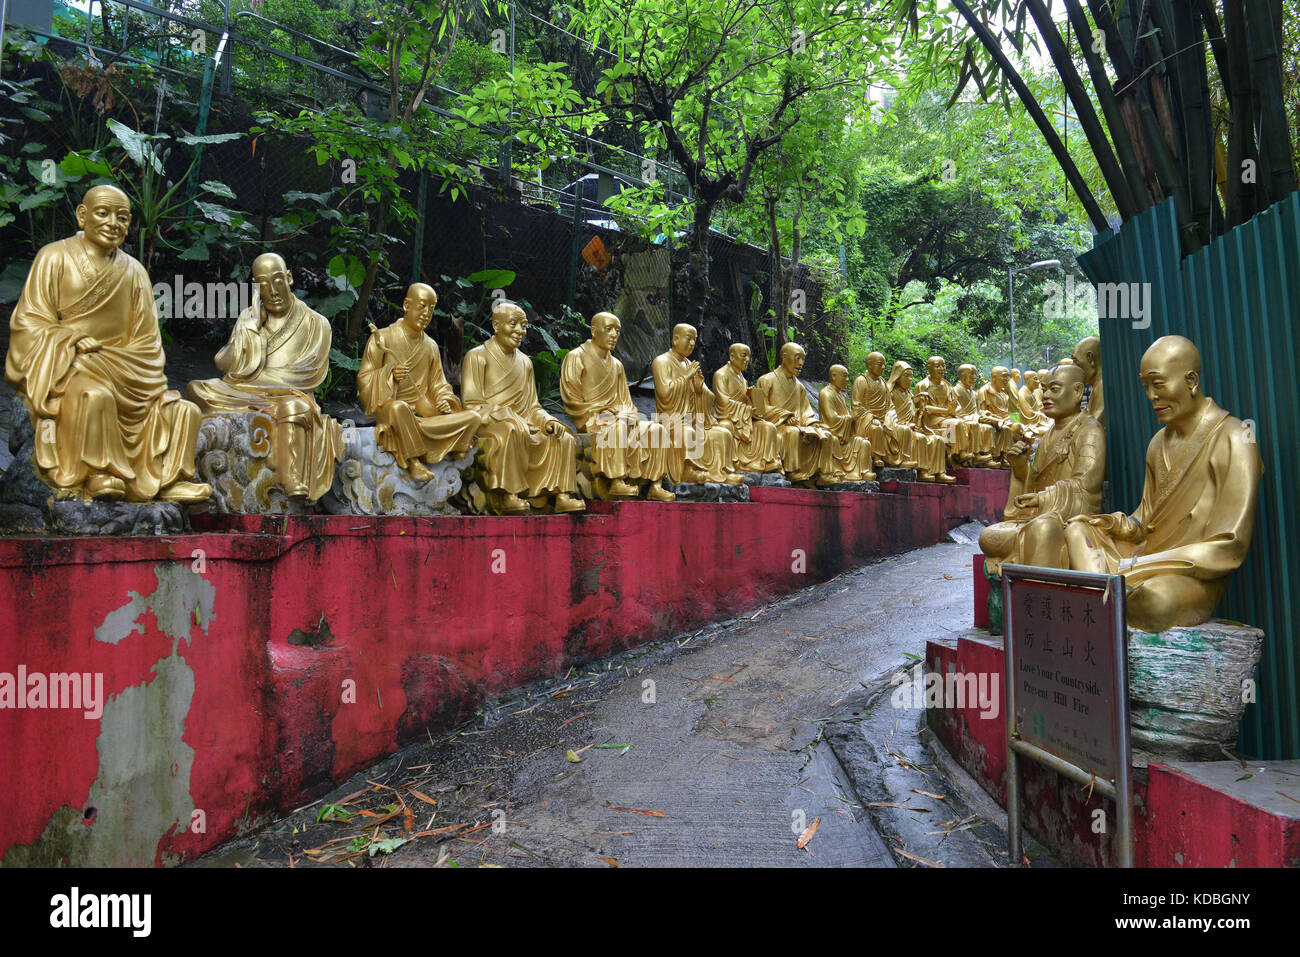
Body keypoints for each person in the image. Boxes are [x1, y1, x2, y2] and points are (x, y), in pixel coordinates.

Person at [7, 184, 209, 502]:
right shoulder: (54, 257)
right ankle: (98, 473)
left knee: (186, 411)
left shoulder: (134, 272)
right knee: (94, 395)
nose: (113, 223)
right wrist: (68, 340)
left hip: (127, 371)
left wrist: (117, 361)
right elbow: (28, 323)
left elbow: (149, 344)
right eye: (103, 213)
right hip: (73, 365)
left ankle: (169, 479)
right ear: (82, 215)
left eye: (123, 217)